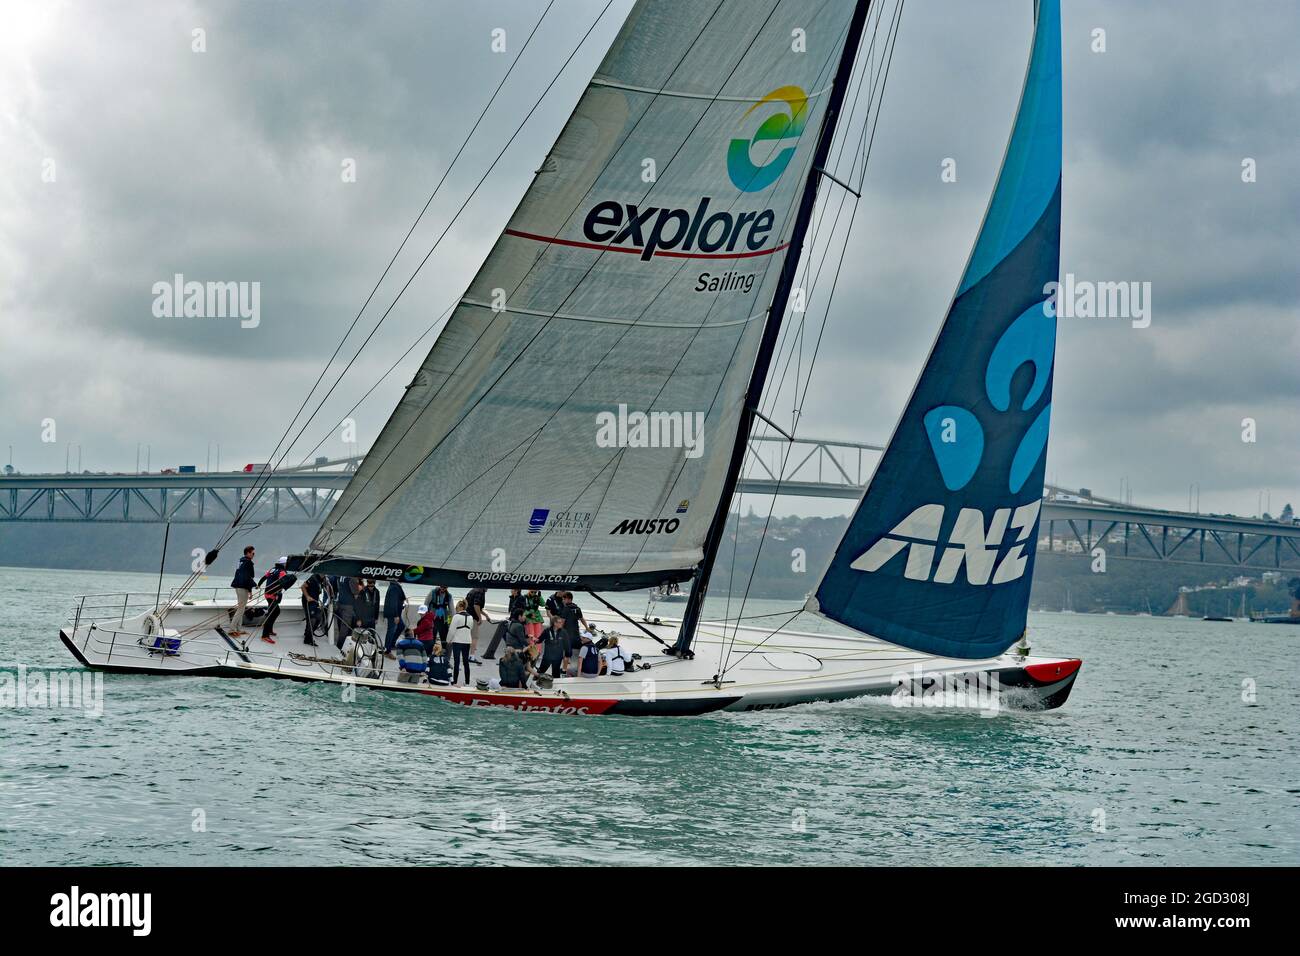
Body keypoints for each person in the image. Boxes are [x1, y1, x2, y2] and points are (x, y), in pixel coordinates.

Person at [257, 557, 292, 644]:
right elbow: (283, 582)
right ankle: (265, 636)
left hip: (267, 593)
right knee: (272, 613)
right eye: (287, 563)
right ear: (284, 564)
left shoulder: (273, 569)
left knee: (276, 611)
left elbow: (264, 577)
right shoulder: (282, 572)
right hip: (273, 595)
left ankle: (269, 630)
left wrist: (258, 585)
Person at [559, 592, 590, 676]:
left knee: (567, 653)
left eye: (564, 599)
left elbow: (562, 622)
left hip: (567, 635)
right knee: (580, 650)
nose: (563, 600)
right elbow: (582, 619)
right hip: (576, 634)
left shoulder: (566, 609)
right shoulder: (577, 608)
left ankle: (564, 670)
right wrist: (587, 628)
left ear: (569, 599)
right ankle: (583, 667)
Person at [227, 545, 256, 635]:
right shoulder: (248, 562)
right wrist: (254, 586)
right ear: (248, 553)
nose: (254, 555)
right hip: (243, 587)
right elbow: (248, 577)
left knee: (241, 608)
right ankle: (232, 629)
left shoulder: (240, 561)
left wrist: (250, 590)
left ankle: (238, 629)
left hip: (238, 586)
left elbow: (240, 575)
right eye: (253, 553)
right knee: (240, 609)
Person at [449, 599, 474, 686]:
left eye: (456, 607)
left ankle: (455, 682)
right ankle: (467, 682)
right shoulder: (470, 617)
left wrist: (449, 640)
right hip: (467, 641)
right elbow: (470, 628)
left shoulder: (456, 616)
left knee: (457, 662)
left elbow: (452, 630)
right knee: (466, 662)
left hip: (457, 641)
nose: (456, 609)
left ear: (460, 607)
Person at [382, 579, 407, 656]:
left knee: (401, 626)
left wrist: (402, 606)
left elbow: (397, 601)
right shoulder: (394, 588)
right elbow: (393, 602)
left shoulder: (395, 586)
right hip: (394, 615)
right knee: (391, 631)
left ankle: (392, 644)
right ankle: (387, 651)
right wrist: (396, 615)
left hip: (396, 613)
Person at [465, 586, 489, 664]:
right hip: (473, 617)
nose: (488, 589)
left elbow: (467, 603)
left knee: (467, 636)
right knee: (474, 637)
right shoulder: (480, 592)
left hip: (466, 616)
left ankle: (465, 655)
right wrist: (480, 618)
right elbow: (476, 606)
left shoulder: (472, 590)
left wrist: (486, 616)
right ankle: (471, 656)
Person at [334, 576, 358, 649]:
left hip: (340, 604)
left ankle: (342, 645)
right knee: (345, 628)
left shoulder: (341, 576)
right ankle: (340, 647)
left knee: (342, 627)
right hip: (348, 606)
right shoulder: (352, 578)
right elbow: (355, 593)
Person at [300, 572, 323, 647]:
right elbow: (303, 586)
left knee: (319, 618)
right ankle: (308, 640)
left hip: (315, 601)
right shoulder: (313, 578)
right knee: (312, 619)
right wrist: (307, 596)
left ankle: (308, 633)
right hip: (308, 601)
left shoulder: (322, 579)